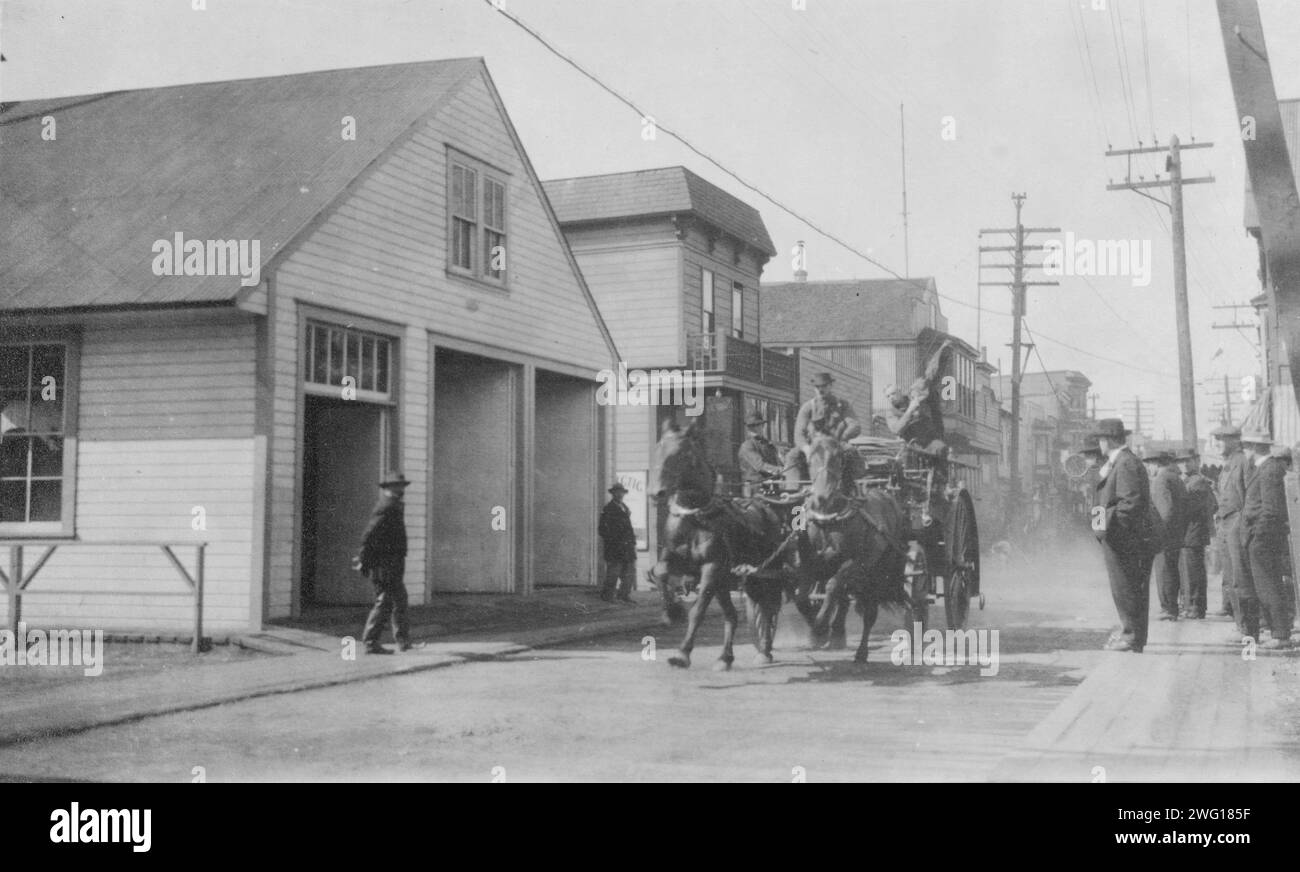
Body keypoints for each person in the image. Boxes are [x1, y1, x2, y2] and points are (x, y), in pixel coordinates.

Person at [1090, 419, 1154, 653]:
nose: (1099, 444)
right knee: (1122, 587)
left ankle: (1132, 636)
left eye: (1101, 439)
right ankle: (1130, 634)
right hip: (1117, 536)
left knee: (1127, 587)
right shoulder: (1117, 463)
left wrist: (1109, 529)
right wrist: (1099, 531)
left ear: (1109, 440)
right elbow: (1101, 501)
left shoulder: (1125, 463)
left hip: (1125, 538)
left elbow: (1130, 504)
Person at [1240, 430, 1294, 648]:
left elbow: (1271, 510)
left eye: (1246, 447)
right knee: (1265, 585)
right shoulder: (1265, 468)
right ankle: (1277, 631)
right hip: (1259, 537)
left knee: (1269, 585)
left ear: (1254, 448)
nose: (1245, 451)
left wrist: (1257, 536)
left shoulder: (1269, 469)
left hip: (1263, 538)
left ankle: (1280, 634)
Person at [358, 471, 413, 655]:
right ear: (389, 488)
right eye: (398, 485)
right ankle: (370, 642)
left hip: (393, 564)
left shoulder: (394, 505)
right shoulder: (387, 506)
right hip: (385, 565)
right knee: (384, 602)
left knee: (399, 601)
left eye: (402, 485)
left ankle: (403, 642)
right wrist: (364, 560)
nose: (401, 488)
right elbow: (369, 535)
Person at [783, 372, 861, 486]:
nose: (820, 389)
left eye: (824, 386)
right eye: (817, 387)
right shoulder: (808, 407)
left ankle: (851, 489)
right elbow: (799, 434)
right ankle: (793, 493)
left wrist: (842, 438)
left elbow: (855, 426)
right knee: (792, 456)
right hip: (814, 446)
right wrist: (806, 448)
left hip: (837, 444)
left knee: (852, 453)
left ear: (830, 386)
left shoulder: (842, 405)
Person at [1212, 423, 1252, 634]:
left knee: (1241, 580)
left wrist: (1241, 527)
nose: (1218, 444)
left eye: (1222, 440)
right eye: (1217, 439)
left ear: (1236, 441)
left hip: (1237, 525)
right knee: (1231, 580)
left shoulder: (1243, 462)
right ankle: (1242, 628)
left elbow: (1249, 499)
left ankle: (1248, 634)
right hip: (1226, 525)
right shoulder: (1229, 464)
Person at [884, 338, 953, 456]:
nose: (891, 397)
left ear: (900, 390)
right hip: (909, 444)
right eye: (888, 396)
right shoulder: (891, 412)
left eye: (893, 393)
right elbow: (896, 429)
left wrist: (942, 351)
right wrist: (910, 410)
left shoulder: (914, 394)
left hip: (928, 440)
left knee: (940, 450)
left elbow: (930, 376)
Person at [1144, 450, 1188, 622]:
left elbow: (1165, 510)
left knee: (1164, 570)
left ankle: (1168, 608)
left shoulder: (1160, 480)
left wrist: (1159, 532)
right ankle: (1172, 607)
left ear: (1157, 464)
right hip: (1176, 532)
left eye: (1150, 464)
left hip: (1165, 534)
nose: (1149, 468)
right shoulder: (1175, 478)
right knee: (1171, 569)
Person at [1179, 452, 1217, 620]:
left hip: (1194, 532)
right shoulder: (1189, 481)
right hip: (1189, 532)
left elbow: (1192, 508)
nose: (1185, 465)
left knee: (1194, 571)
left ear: (1197, 462)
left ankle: (1196, 606)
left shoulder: (1198, 482)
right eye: (1182, 462)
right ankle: (1190, 605)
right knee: (1189, 571)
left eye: (1188, 461)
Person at [598, 483, 638, 603]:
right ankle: (608, 596)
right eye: (617, 492)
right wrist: (614, 541)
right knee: (614, 572)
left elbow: (628, 527)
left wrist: (632, 541)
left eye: (621, 492)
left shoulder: (624, 507)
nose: (619, 494)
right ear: (613, 493)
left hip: (627, 546)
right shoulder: (608, 509)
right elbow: (602, 529)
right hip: (615, 547)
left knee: (629, 571)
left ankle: (624, 594)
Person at [737, 410, 784, 496]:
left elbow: (778, 461)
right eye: (751, 426)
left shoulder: (768, 444)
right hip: (755, 490)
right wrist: (781, 470)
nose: (754, 429)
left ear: (762, 426)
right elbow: (760, 466)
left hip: (772, 488)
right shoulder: (747, 446)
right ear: (747, 428)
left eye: (757, 425)